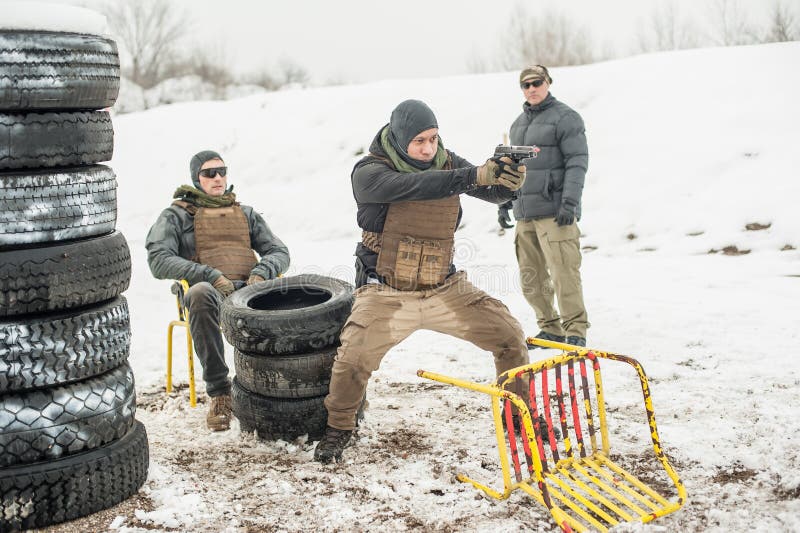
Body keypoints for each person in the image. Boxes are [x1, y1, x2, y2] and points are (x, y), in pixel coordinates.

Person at [314, 99, 530, 464]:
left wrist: (508, 183)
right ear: (399, 140)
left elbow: (490, 192)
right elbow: (415, 186)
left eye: (433, 138)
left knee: (510, 337)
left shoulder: (448, 162)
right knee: (352, 358)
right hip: (385, 290)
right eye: (419, 142)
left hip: (443, 287)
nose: (429, 149)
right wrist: (474, 174)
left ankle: (518, 417)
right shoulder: (369, 172)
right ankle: (339, 428)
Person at [146, 150, 290, 431]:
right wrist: (209, 275)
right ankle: (220, 393)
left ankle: (279, 386)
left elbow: (279, 251)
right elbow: (158, 260)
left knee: (293, 293)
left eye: (222, 171)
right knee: (199, 293)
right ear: (196, 178)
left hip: (248, 290)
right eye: (209, 173)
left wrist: (261, 273)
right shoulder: (177, 215)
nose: (218, 178)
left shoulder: (244, 213)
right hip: (207, 294)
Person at [499, 65, 589, 349]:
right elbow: (512, 169)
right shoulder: (517, 125)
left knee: (564, 274)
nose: (531, 89)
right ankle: (550, 329)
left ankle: (575, 331)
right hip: (525, 213)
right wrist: (504, 201)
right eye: (525, 85)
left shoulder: (566, 118)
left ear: (548, 83)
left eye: (537, 82)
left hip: (555, 213)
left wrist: (570, 202)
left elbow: (578, 161)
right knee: (531, 277)